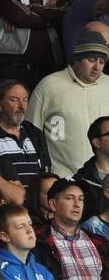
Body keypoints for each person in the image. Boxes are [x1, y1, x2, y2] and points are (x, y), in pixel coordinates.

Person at [29, 29, 109, 177]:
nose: (96, 67)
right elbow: (30, 133)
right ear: (77, 59)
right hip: (62, 180)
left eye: (102, 61)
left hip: (105, 183)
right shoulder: (49, 85)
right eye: (91, 60)